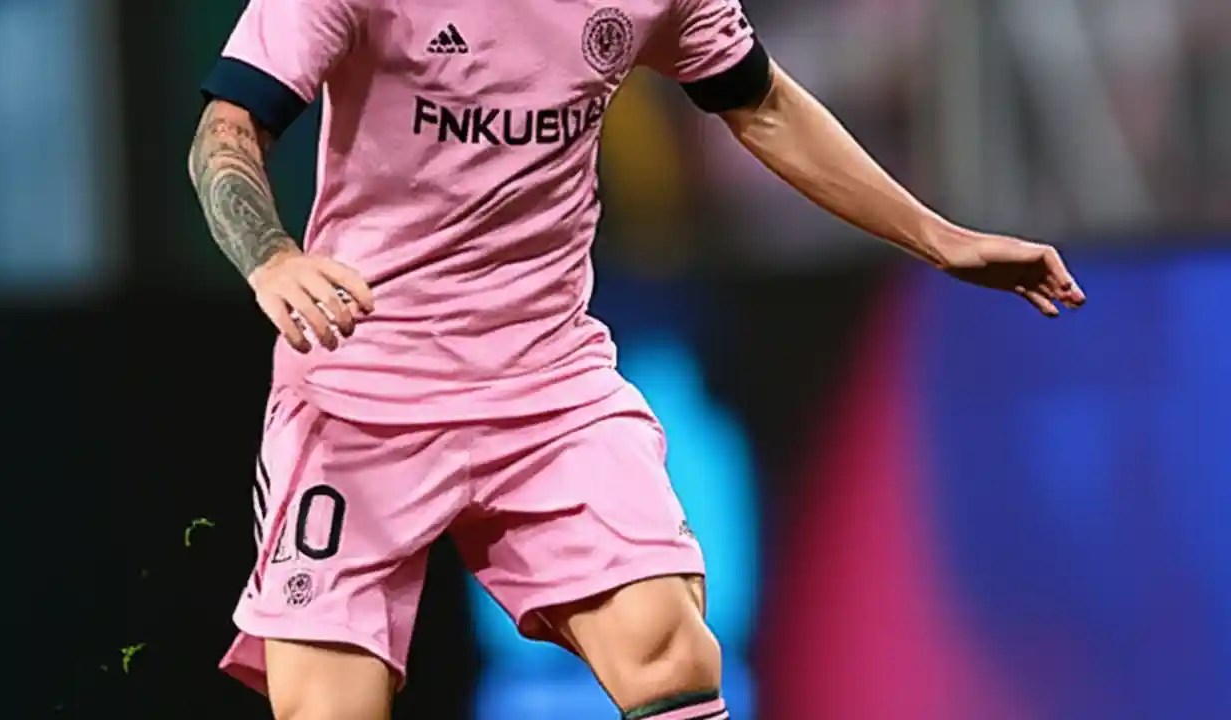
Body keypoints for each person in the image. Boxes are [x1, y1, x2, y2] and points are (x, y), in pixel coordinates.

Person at [188, 0, 1086, 717]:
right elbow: (227, 130)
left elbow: (761, 103)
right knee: (327, 709)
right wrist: (271, 255)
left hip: (546, 387)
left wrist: (939, 238)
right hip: (361, 388)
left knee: (671, 650)